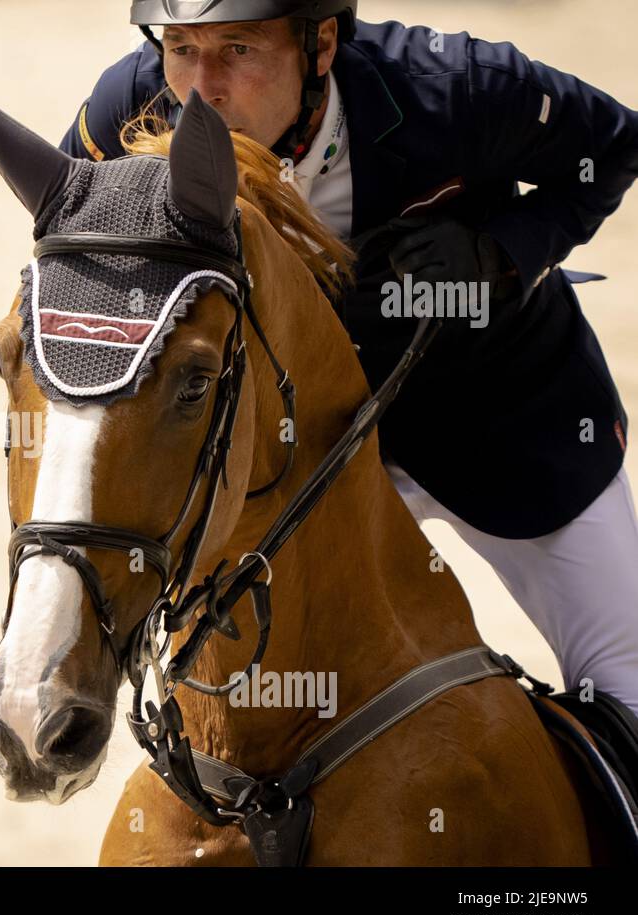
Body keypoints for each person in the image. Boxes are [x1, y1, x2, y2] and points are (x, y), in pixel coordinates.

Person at [57, 0, 638, 719]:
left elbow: (613, 144)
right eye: (181, 47)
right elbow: (77, 239)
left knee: (631, 682)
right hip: (308, 449)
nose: (201, 88)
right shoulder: (136, 105)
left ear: (321, 42)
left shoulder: (452, 88)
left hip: (504, 418)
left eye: (239, 49)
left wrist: (500, 252)